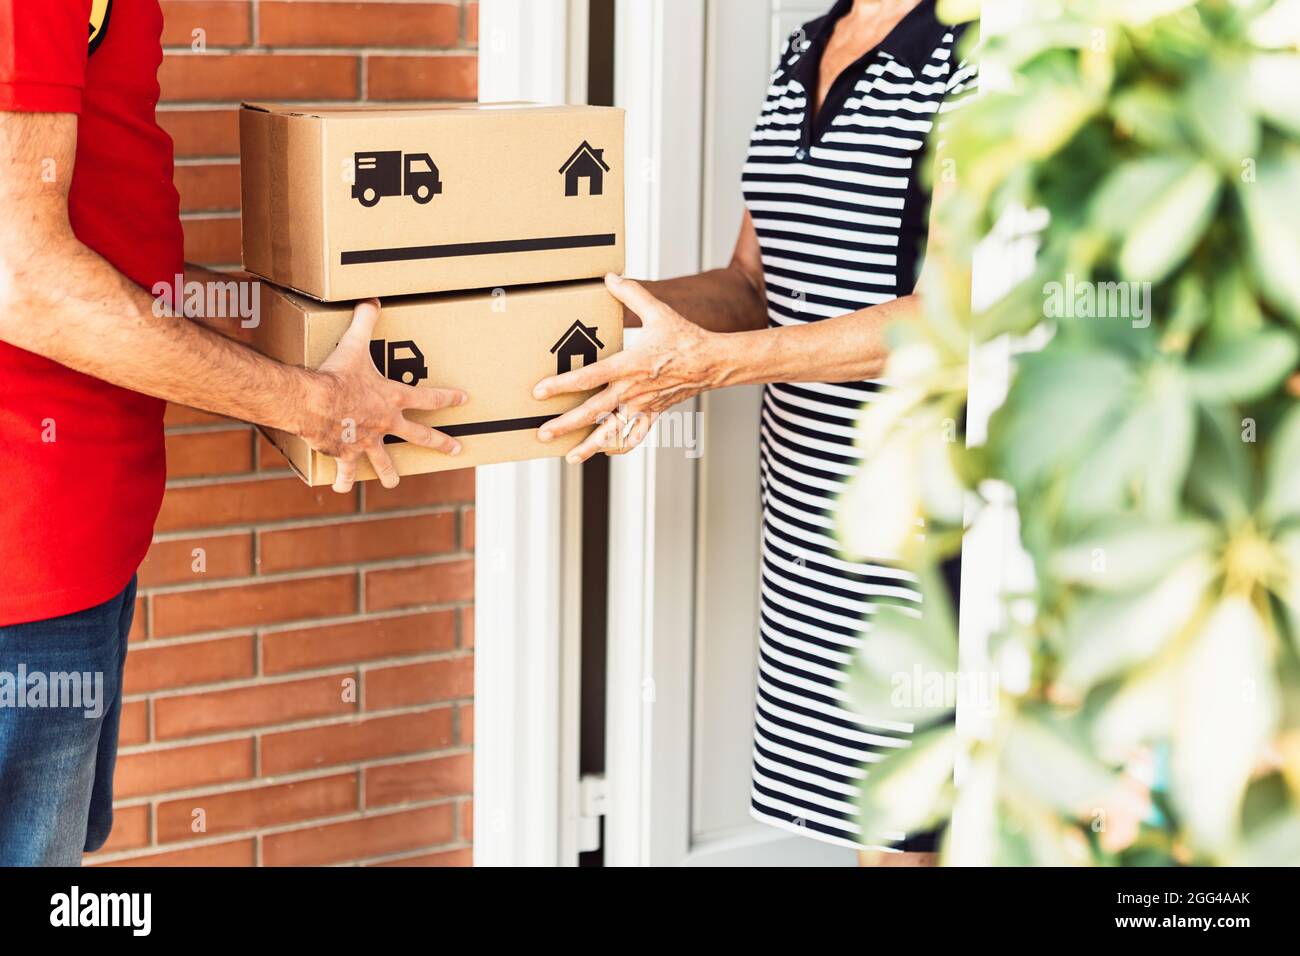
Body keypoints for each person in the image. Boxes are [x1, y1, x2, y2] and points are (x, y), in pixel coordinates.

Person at [0, 0, 464, 865]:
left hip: (79, 545)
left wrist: (306, 327)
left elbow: (116, 264)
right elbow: (23, 279)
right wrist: (315, 406)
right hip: (26, 569)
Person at [535, 0, 976, 863]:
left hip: (922, 521)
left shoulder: (978, 54)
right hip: (810, 524)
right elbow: (751, 281)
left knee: (910, 837)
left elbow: (949, 320)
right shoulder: (804, 48)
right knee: (864, 827)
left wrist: (710, 367)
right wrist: (580, 316)